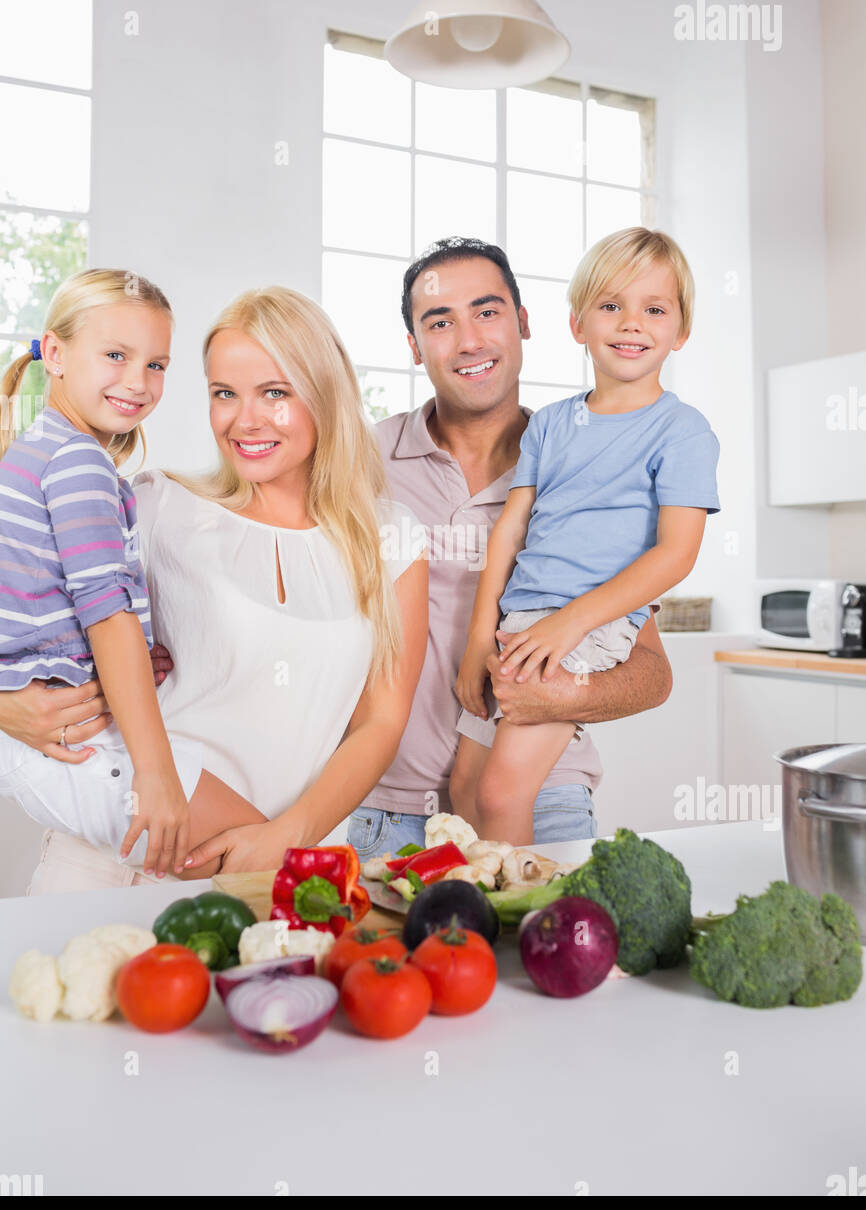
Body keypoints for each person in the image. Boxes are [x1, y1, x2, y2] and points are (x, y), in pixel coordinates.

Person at [1, 284, 427, 891]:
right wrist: (6, 708)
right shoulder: (155, 505)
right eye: (224, 394)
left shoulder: (392, 538)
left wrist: (285, 838)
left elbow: (381, 721)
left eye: (274, 393)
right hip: (116, 864)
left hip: (275, 871)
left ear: (325, 394)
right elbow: (24, 597)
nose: (244, 420)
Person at [346, 237, 676, 861]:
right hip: (387, 810)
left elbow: (653, 673)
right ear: (415, 348)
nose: (468, 340)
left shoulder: (591, 464)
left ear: (524, 324)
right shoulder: (357, 465)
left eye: (488, 311)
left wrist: (566, 694)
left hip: (544, 801)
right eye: (440, 322)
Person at [451, 228, 720, 844]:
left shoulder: (682, 431)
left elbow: (676, 554)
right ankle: (472, 922)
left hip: (587, 624)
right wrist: (476, 639)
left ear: (680, 332)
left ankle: (515, 931)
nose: (632, 324)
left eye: (654, 309)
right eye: (611, 305)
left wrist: (569, 623)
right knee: (466, 788)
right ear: (577, 323)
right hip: (520, 619)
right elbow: (511, 529)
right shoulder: (549, 424)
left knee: (501, 792)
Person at [0, 269, 265, 880]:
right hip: (78, 749)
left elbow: (39, 602)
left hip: (42, 741)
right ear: (57, 353)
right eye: (116, 355)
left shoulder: (36, 448)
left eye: (157, 364)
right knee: (263, 863)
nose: (138, 382)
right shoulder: (78, 462)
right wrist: (155, 771)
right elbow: (105, 613)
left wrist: (138, 655)